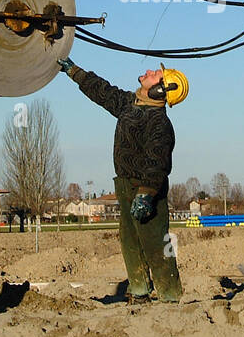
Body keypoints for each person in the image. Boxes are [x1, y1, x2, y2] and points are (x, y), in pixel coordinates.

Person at [58, 59, 188, 303]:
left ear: (161, 90)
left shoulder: (159, 122)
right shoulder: (130, 104)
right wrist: (74, 72)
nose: (149, 71)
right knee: (131, 241)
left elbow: (157, 162)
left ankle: (170, 295)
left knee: (156, 244)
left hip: (147, 190)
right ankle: (139, 290)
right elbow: (103, 92)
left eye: (156, 75)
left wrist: (146, 194)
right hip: (125, 185)